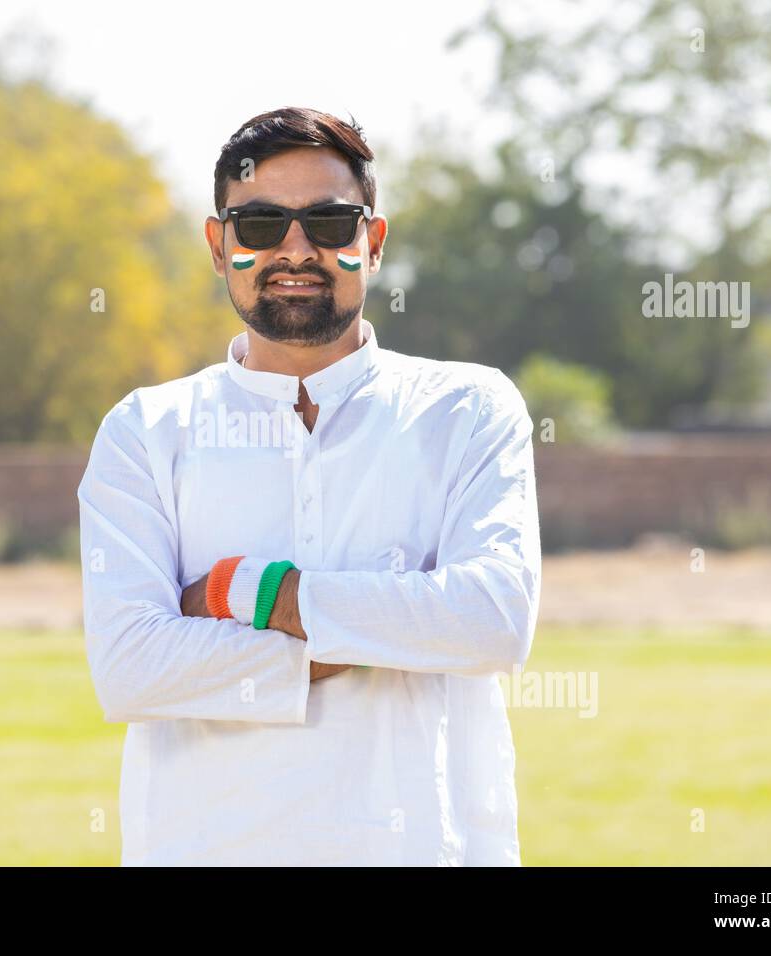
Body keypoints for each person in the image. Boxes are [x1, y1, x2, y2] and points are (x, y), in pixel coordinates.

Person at [77, 106, 541, 865]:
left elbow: (492, 619)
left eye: (329, 223)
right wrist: (400, 627)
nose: (295, 249)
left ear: (373, 240)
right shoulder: (147, 432)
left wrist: (256, 594)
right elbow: (131, 670)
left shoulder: (465, 410)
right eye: (259, 223)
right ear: (218, 245)